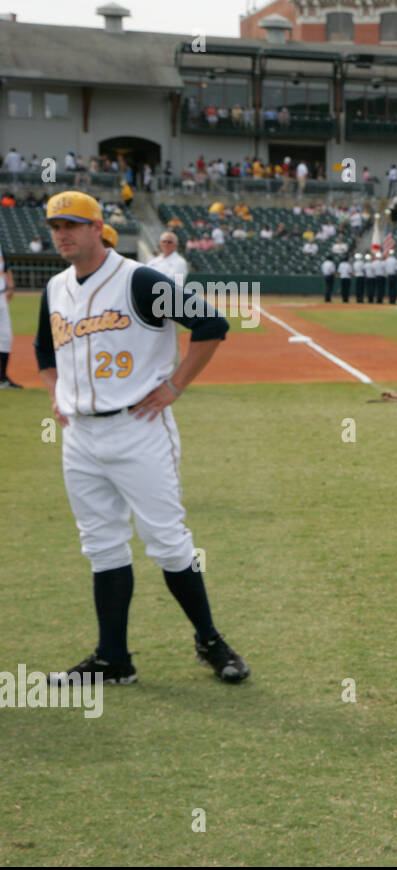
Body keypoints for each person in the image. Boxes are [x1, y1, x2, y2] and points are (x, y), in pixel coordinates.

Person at [35, 192, 250, 686]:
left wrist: (174, 385)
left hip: (139, 429)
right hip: (80, 436)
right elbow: (43, 351)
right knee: (102, 545)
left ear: (96, 228)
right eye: (54, 226)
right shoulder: (55, 288)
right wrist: (56, 391)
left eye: (72, 224)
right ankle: (113, 660)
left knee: (169, 543)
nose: (62, 234)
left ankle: (210, 642)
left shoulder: (139, 279)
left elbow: (211, 324)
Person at [0, 239, 18, 388]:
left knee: (5, 336)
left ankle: (3, 378)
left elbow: (6, 267)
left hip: (1, 296)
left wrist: (10, 286)